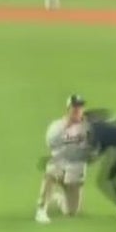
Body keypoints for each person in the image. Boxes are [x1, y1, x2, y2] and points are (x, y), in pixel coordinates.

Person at [34, 95, 92, 224]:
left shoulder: (88, 128)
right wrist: (66, 127)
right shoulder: (57, 126)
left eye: (80, 107)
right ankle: (41, 209)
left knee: (71, 212)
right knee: (51, 171)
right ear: (68, 109)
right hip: (60, 165)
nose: (78, 110)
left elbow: (91, 149)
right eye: (75, 107)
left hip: (76, 172)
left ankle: (57, 198)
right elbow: (52, 145)